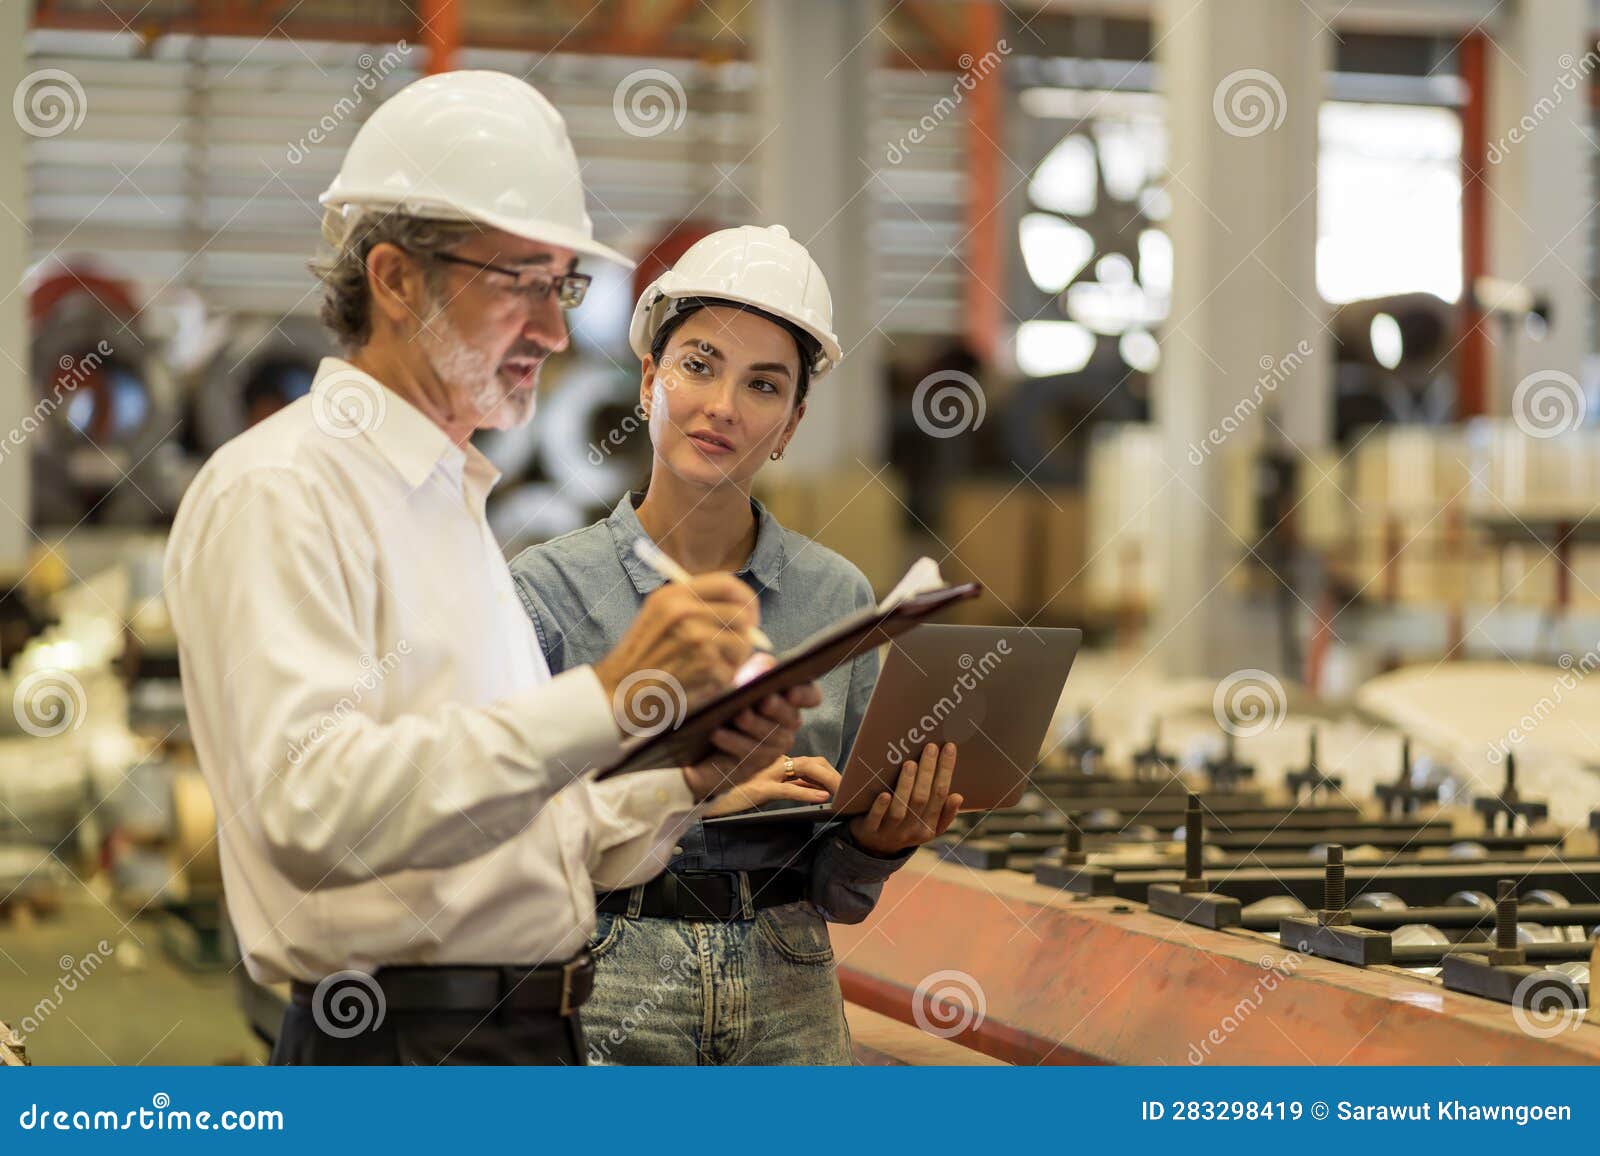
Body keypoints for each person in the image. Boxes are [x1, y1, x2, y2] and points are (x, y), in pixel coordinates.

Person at [162, 73, 818, 1067]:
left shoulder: (446, 504)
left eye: (562, 285)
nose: (553, 331)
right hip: (401, 1046)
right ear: (393, 279)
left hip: (516, 1032)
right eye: (519, 280)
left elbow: (522, 833)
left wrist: (682, 776)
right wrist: (606, 698)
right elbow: (310, 805)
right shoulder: (285, 488)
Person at [510, 225, 961, 1065]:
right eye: (698, 365)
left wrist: (879, 843)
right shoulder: (548, 594)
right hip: (610, 975)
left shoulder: (839, 602)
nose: (722, 406)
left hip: (789, 981)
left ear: (790, 422)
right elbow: (505, 850)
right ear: (649, 380)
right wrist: (695, 797)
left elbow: (839, 889)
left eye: (763, 385)